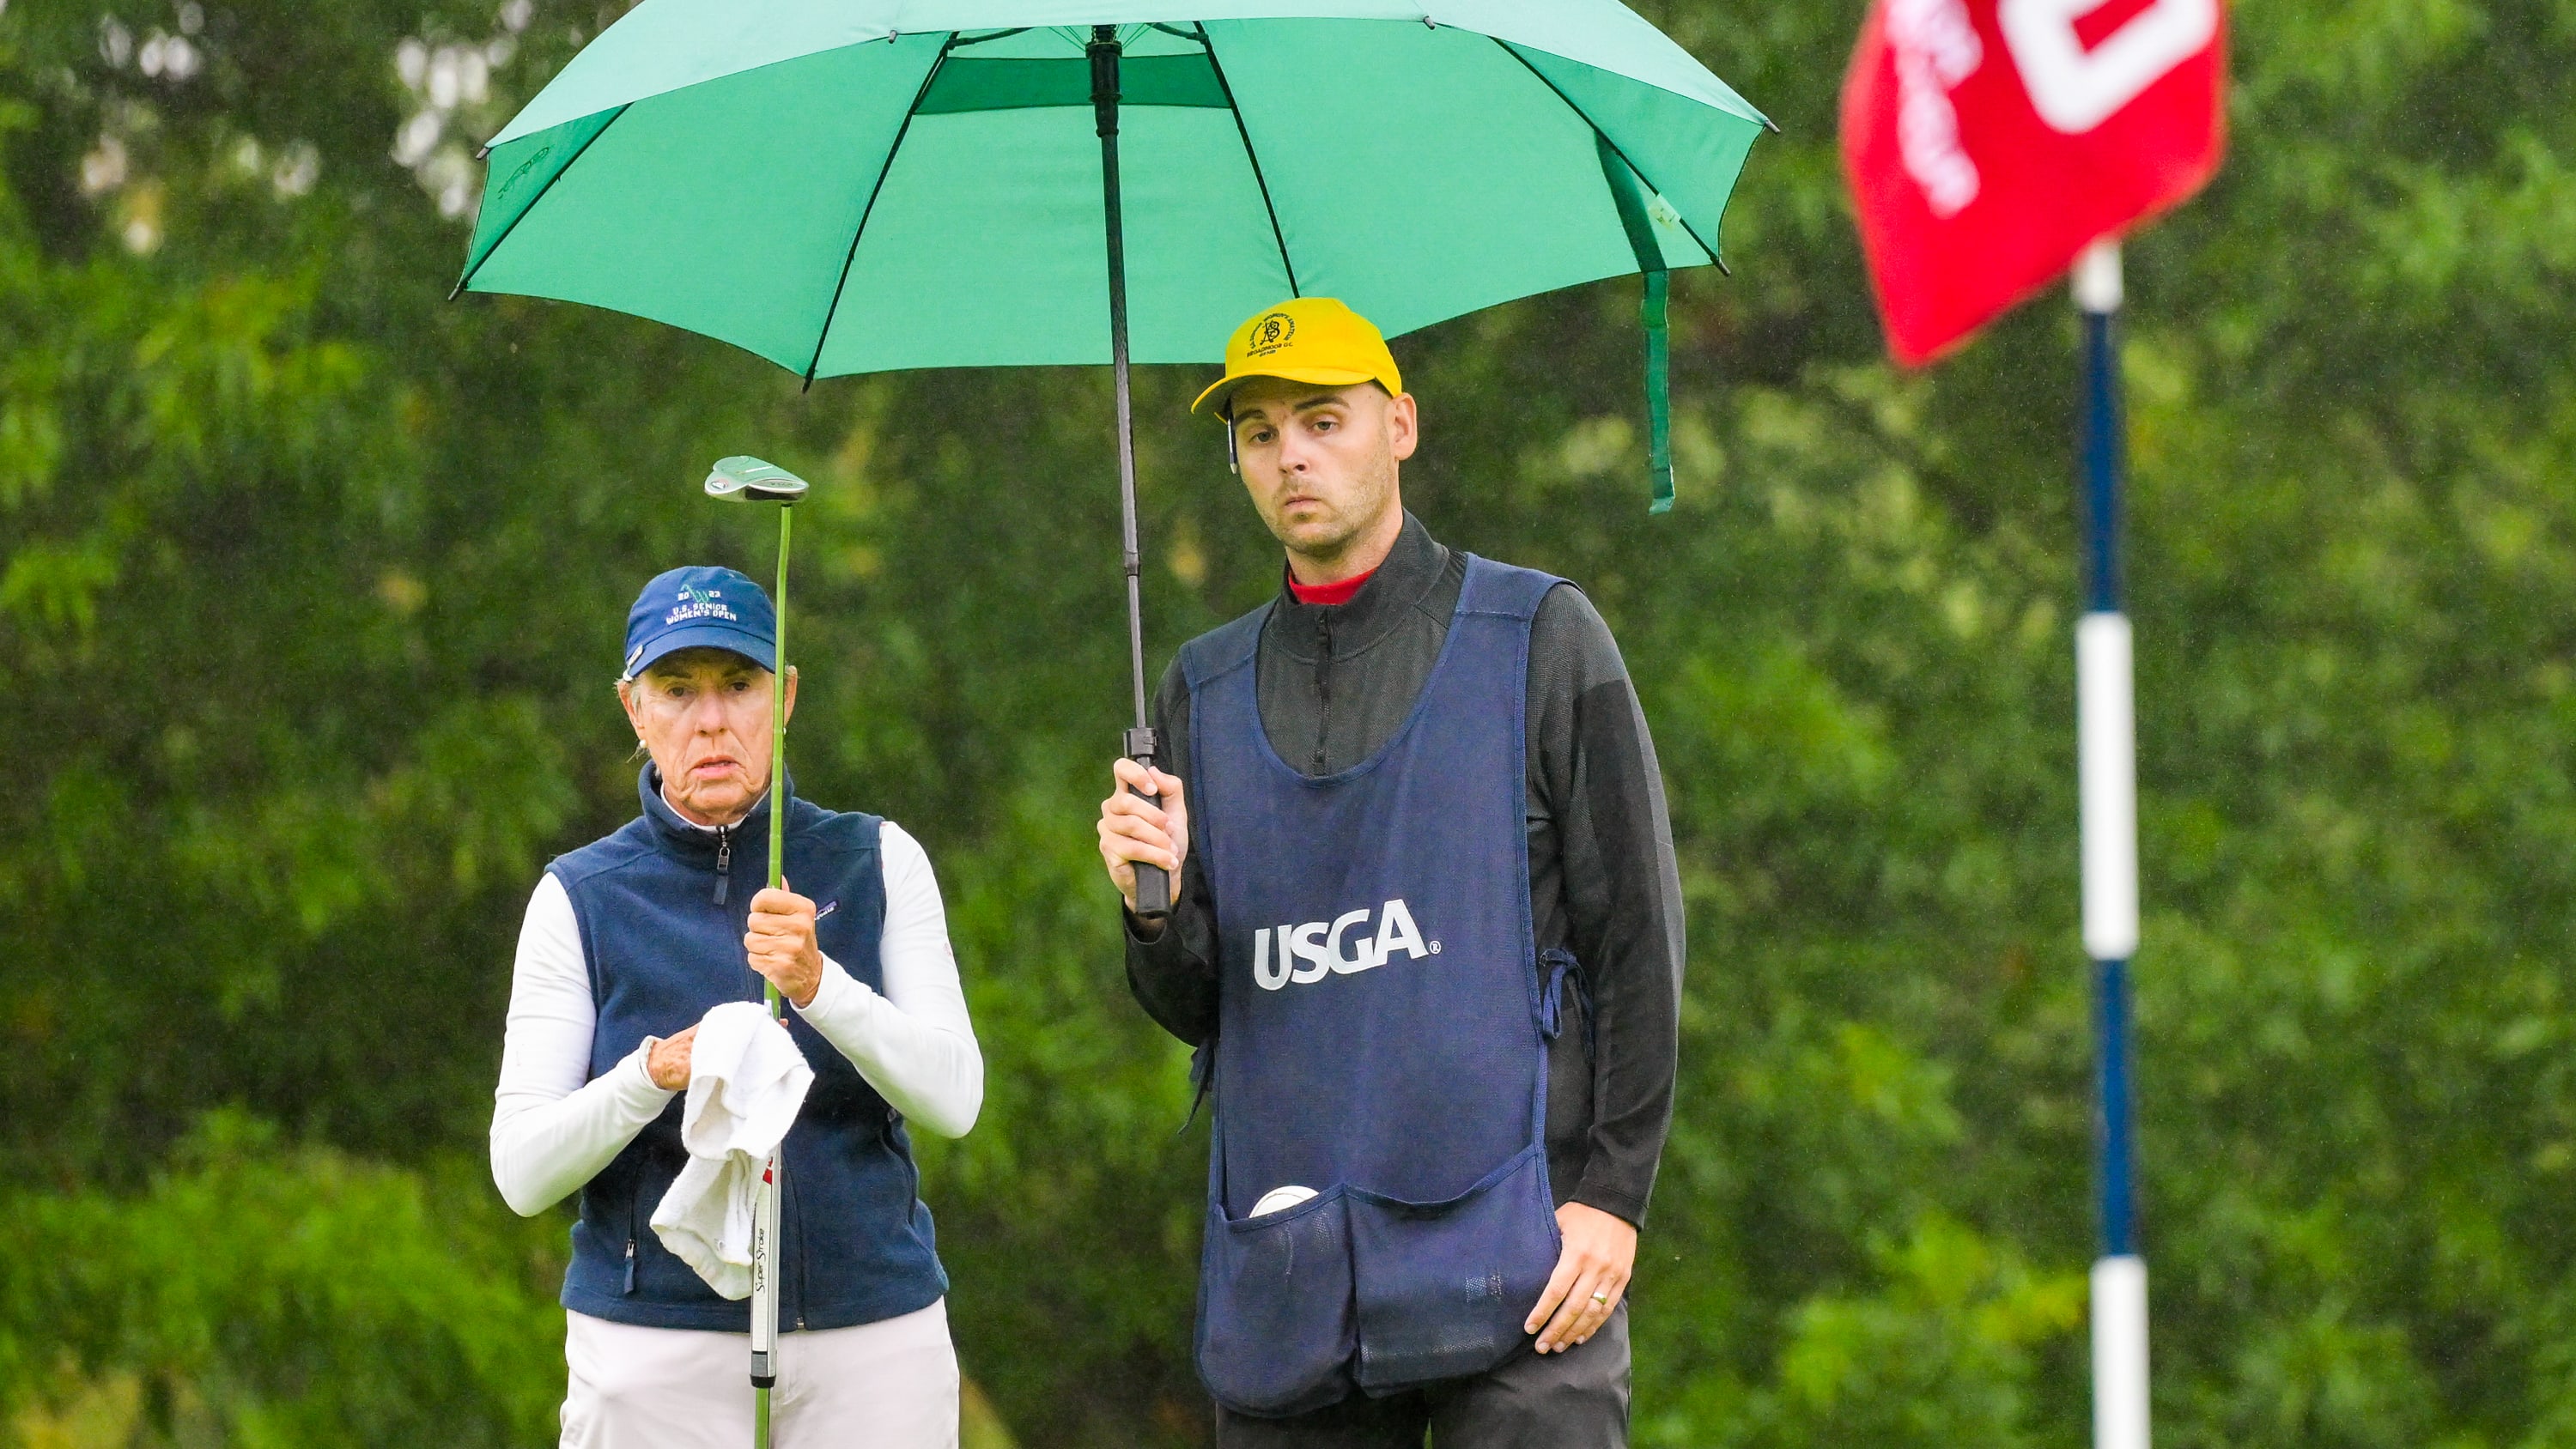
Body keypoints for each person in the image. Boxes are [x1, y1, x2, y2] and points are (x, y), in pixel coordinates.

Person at [1095, 299, 1686, 1447]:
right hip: (1292, 1282)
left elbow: (1639, 945)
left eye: (1324, 420)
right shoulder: (1198, 693)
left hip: (1524, 1270)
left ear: (1401, 425)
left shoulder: (1543, 637)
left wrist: (1614, 1201)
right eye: (1259, 434)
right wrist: (1152, 914)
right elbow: (1199, 1008)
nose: (1292, 455)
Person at [493, 565, 982, 1449]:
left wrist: (820, 986)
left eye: (739, 684)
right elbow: (523, 1171)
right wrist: (651, 1073)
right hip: (651, 1344)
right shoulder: (580, 895)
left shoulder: (877, 858)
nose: (711, 720)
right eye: (677, 691)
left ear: (784, 695)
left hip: (868, 1325)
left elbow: (955, 1098)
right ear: (633, 709)